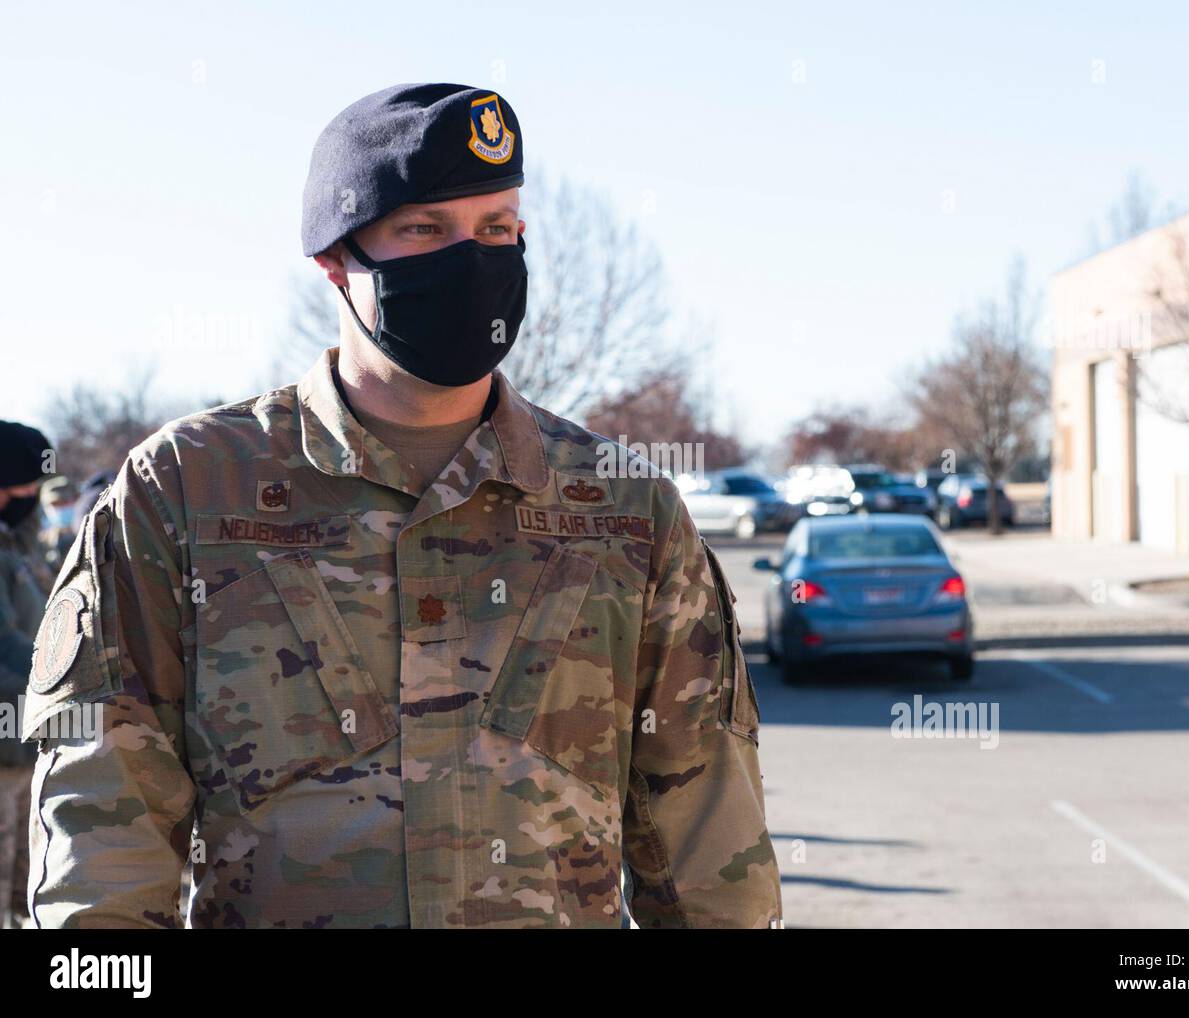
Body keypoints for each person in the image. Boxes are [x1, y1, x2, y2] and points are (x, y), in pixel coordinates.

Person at [23, 83, 782, 928]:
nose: (473, 259)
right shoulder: (185, 491)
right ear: (335, 263)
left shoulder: (626, 509)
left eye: (497, 229)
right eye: (425, 229)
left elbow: (711, 853)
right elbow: (103, 841)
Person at [0, 421, 55, 927]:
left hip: (21, 737)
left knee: (26, 880)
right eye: (26, 484)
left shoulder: (18, 541)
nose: (34, 495)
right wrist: (56, 675)